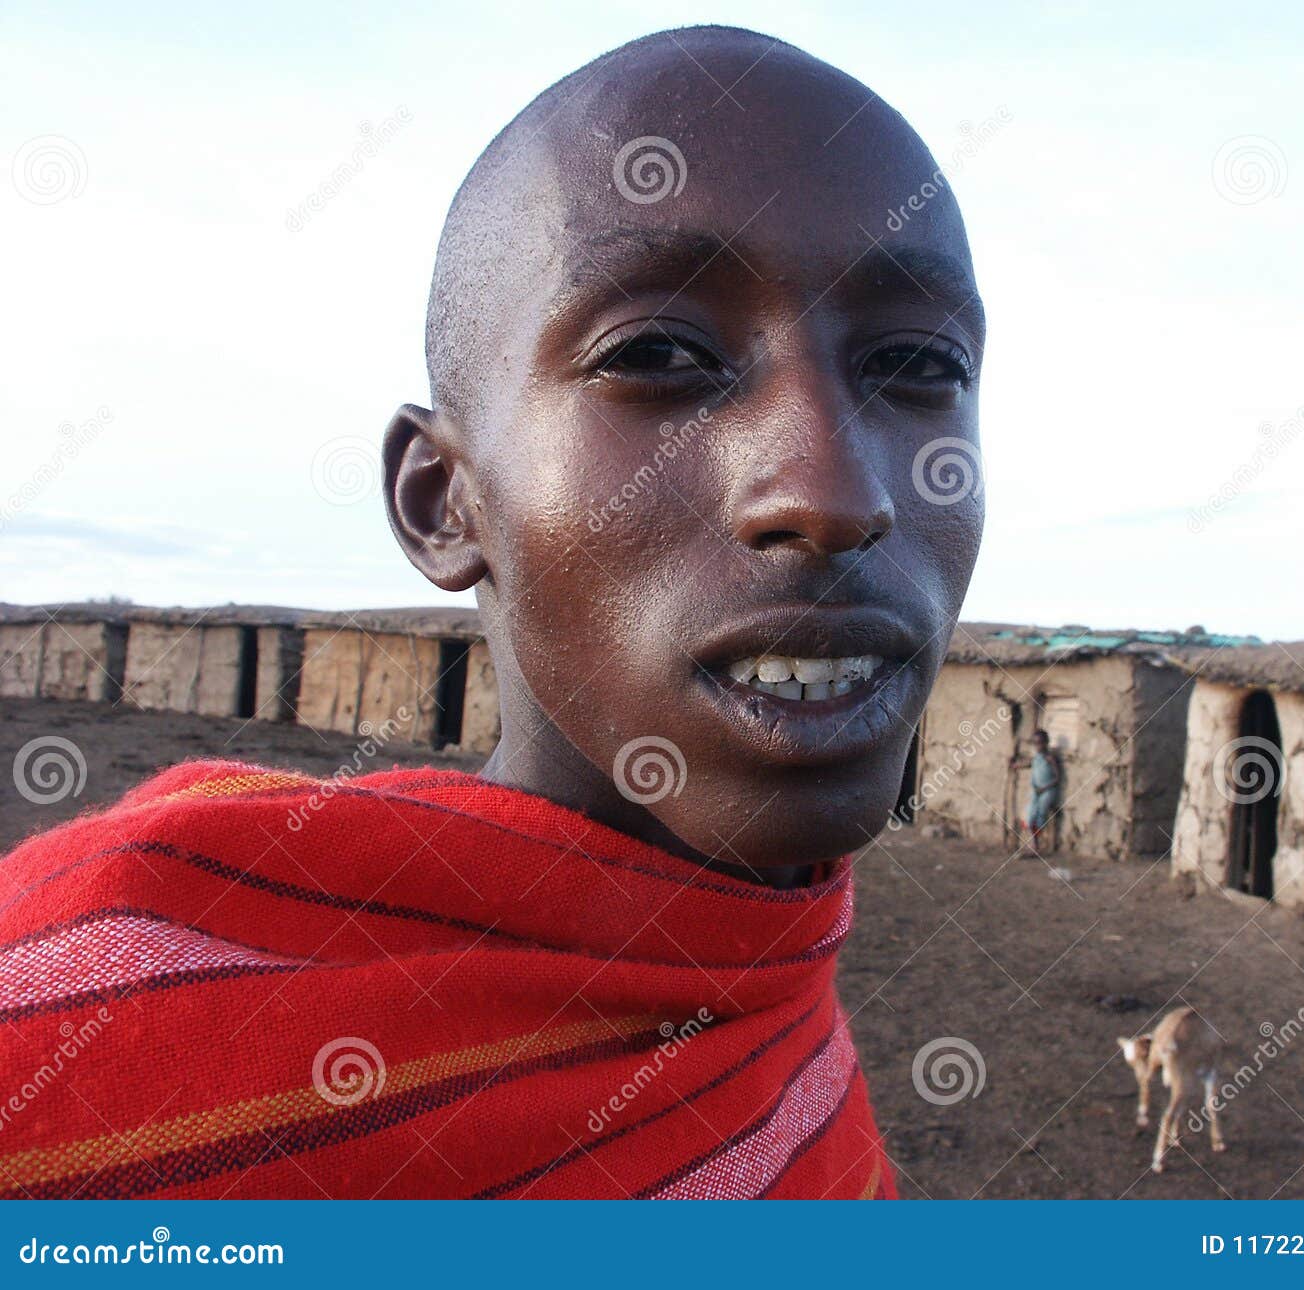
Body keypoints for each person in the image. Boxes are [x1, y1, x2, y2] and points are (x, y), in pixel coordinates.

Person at [0, 25, 985, 1199]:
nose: (834, 496)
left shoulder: (779, 1010)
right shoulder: (75, 1035)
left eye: (918, 364)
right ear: (442, 502)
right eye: (661, 351)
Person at [1023, 730, 1061, 853]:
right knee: (1030, 814)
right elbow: (1029, 765)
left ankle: (1039, 843)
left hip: (1048, 790)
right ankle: (1035, 843)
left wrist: (1044, 788)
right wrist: (1015, 765)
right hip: (1036, 791)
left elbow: (1057, 778)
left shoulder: (1050, 758)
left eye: (1040, 743)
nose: (1037, 746)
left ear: (1046, 743)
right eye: (1035, 743)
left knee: (1041, 812)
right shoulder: (1036, 759)